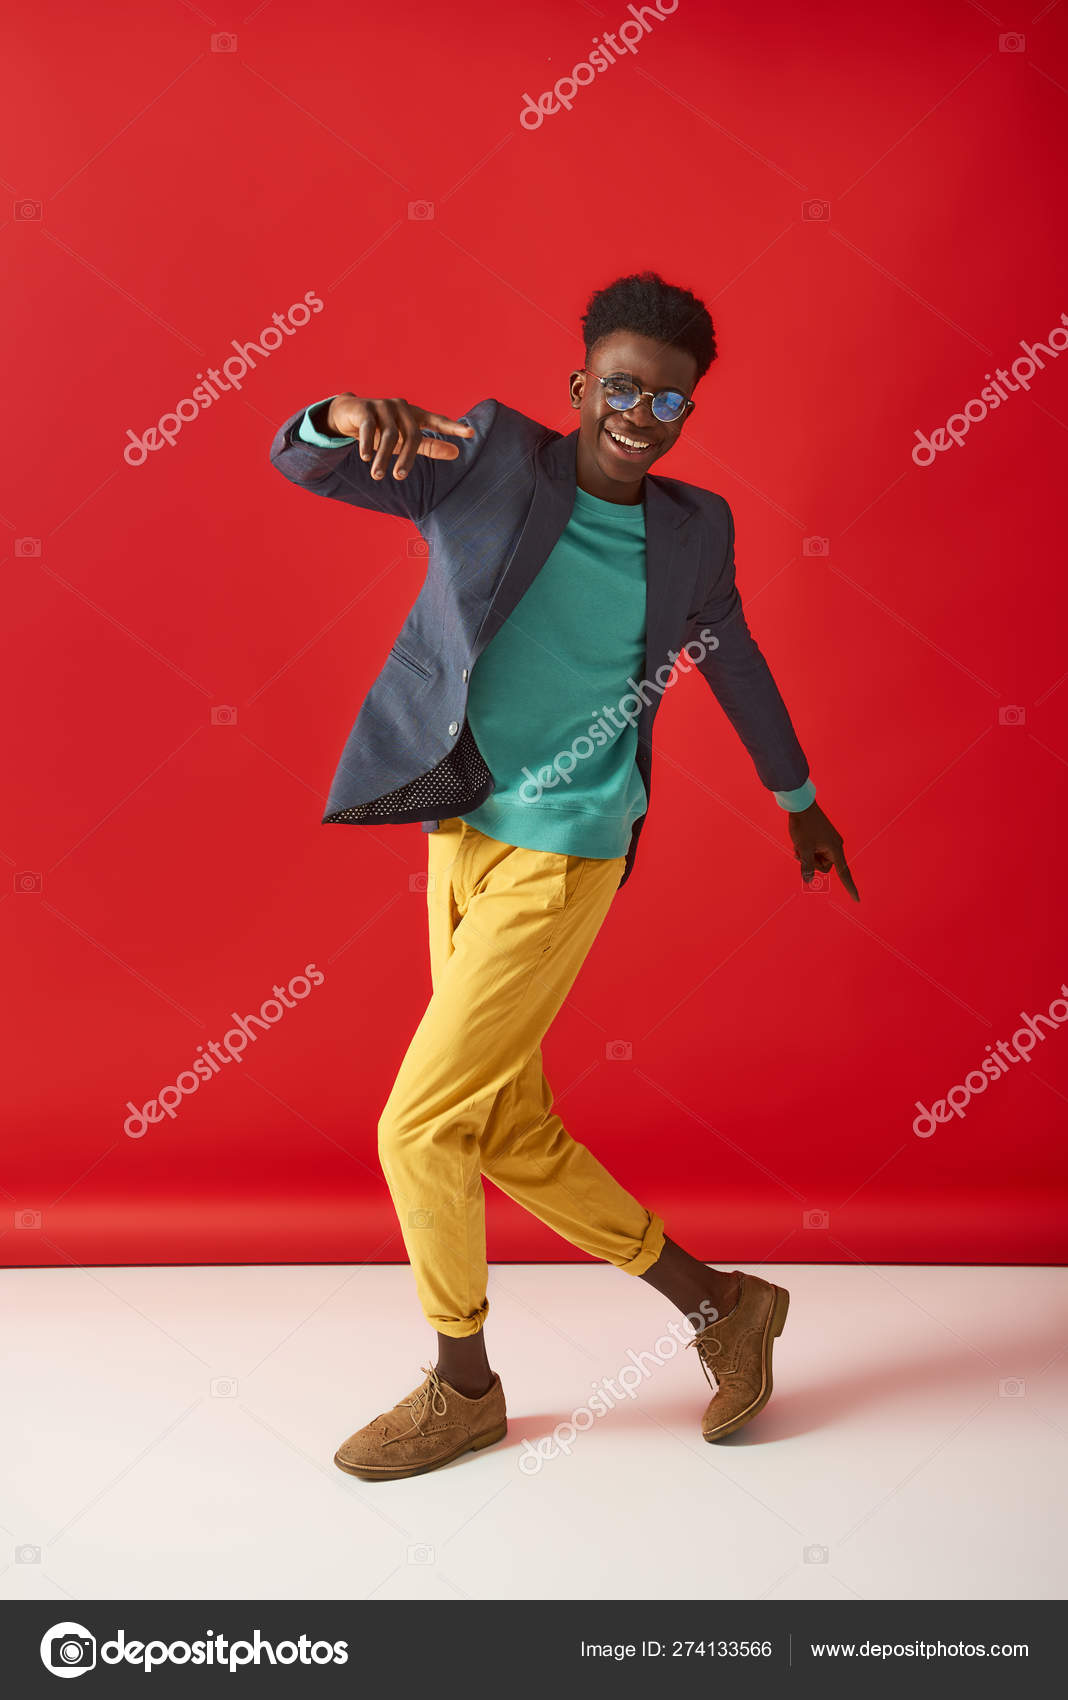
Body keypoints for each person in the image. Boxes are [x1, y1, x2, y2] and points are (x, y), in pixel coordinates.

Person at [269, 271, 858, 1482]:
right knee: (506, 1123)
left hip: (570, 839)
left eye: (671, 400)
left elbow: (734, 659)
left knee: (420, 1123)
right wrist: (337, 413)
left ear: (690, 413)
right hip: (463, 823)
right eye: (623, 385)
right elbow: (308, 462)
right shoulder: (487, 460)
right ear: (581, 384)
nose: (642, 412)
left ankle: (463, 1384)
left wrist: (797, 801)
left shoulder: (695, 531)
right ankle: (723, 1305)